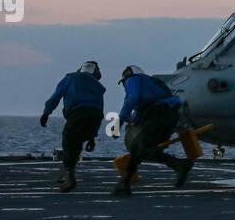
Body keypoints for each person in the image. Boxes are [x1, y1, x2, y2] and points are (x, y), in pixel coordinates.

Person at [113, 65, 194, 196]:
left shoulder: (133, 79)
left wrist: (119, 122)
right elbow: (141, 113)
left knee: (141, 148)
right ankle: (125, 183)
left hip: (158, 114)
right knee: (139, 148)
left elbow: (131, 99)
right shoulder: (153, 84)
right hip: (171, 115)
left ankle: (179, 164)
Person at [40, 61, 105, 192]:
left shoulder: (70, 78)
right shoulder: (98, 85)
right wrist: (92, 137)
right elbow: (99, 109)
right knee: (77, 143)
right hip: (95, 117)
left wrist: (46, 113)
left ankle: (69, 178)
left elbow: (56, 97)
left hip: (77, 114)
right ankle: (66, 173)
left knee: (68, 142)